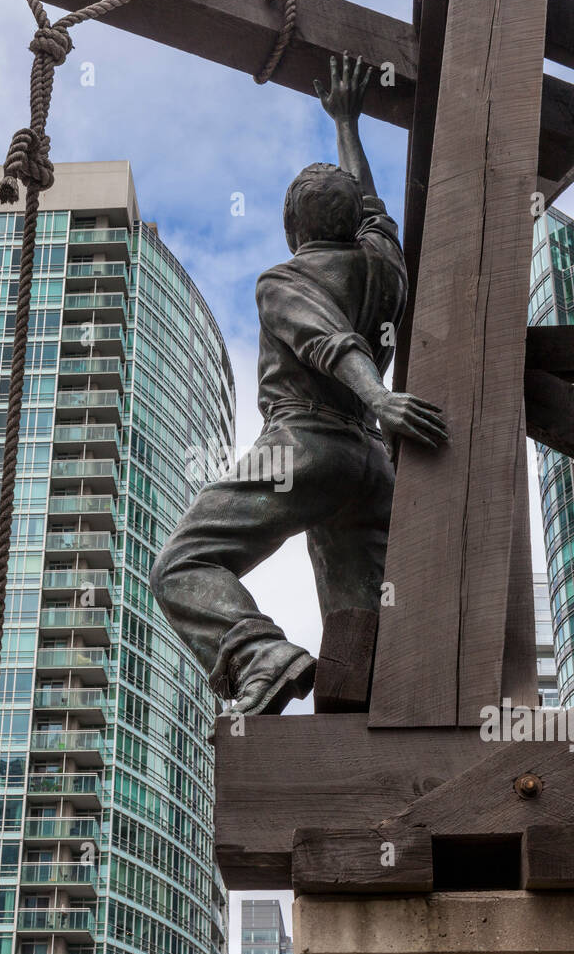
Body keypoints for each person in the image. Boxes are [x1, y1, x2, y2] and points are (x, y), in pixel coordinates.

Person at [150, 53, 448, 715]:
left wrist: (377, 396)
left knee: (181, 567)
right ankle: (382, 721)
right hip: (369, 464)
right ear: (351, 224)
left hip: (307, 447)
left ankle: (261, 653)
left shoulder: (283, 281)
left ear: (294, 230)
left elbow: (326, 341)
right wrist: (347, 122)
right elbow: (371, 203)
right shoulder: (384, 268)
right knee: (366, 624)